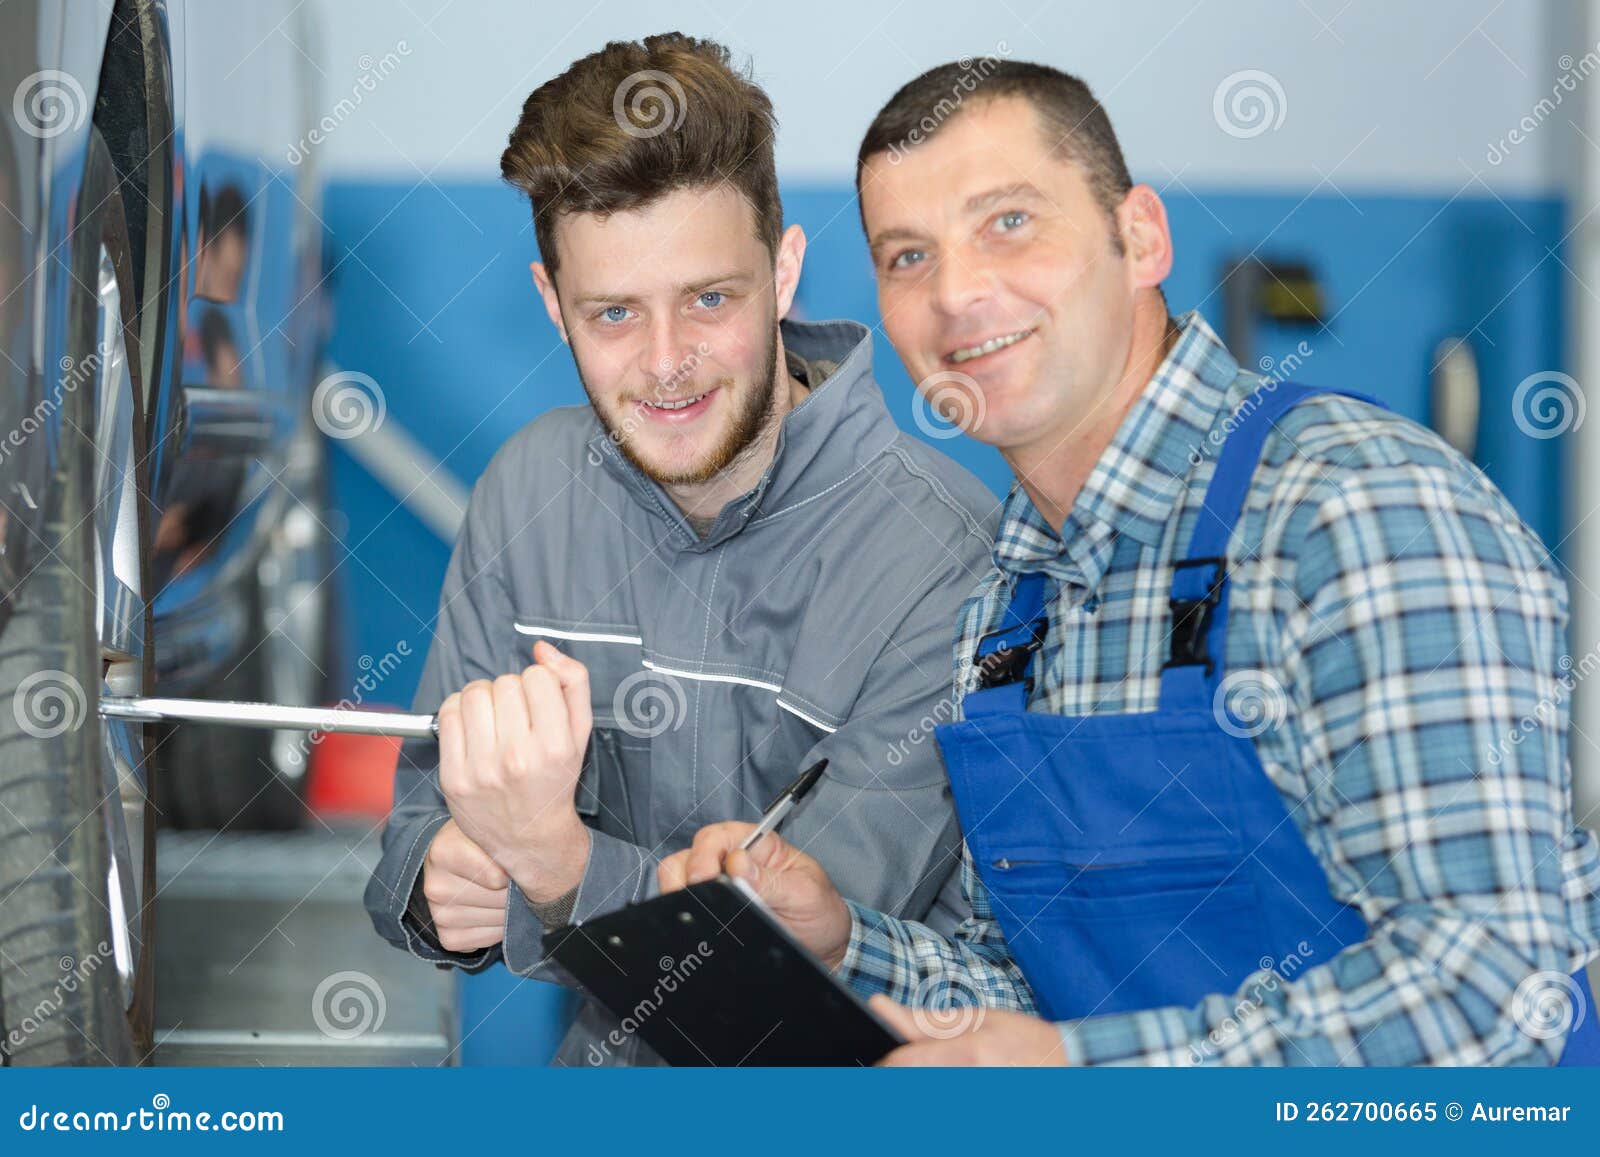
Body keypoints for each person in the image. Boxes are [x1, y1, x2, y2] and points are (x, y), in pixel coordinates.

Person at [660, 59, 1600, 1067]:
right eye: (906, 256)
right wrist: (845, 941)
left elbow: (1495, 990)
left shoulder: (1352, 509)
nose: (959, 292)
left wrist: (1081, 1077)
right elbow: (1031, 990)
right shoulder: (1007, 605)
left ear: (1140, 236)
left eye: (1008, 222)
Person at [363, 34, 996, 1066]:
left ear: (783, 270)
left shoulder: (946, 558)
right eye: (612, 312)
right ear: (549, 303)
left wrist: (555, 863)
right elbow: (407, 845)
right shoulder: (528, 493)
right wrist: (437, 883)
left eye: (709, 299)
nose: (665, 365)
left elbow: (785, 990)